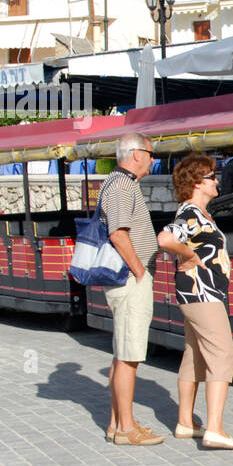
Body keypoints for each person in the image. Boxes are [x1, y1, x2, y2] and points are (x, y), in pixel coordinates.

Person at [158, 153, 233, 450]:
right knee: (222, 355)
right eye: (211, 176)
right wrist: (191, 256)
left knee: (194, 355)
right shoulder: (191, 214)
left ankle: (185, 422)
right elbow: (165, 239)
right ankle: (215, 429)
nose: (216, 180)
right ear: (196, 182)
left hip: (197, 293)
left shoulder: (197, 213)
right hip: (202, 293)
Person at [103, 133, 163, 446]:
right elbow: (117, 232)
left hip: (128, 279)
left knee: (123, 355)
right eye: (151, 154)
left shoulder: (121, 183)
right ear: (136, 154)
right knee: (129, 356)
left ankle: (118, 424)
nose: (154, 160)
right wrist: (140, 271)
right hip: (130, 280)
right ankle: (126, 429)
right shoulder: (122, 185)